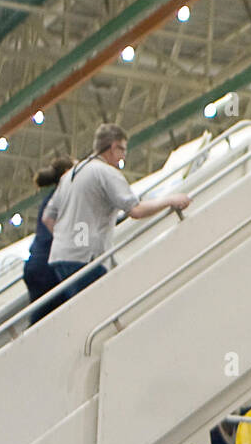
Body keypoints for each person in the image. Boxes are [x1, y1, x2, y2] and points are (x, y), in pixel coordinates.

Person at [43, 123, 191, 310]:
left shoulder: (71, 174)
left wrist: (67, 238)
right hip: (85, 259)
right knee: (110, 310)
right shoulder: (105, 172)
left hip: (60, 257)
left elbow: (48, 218)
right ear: (113, 147)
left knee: (84, 312)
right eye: (123, 150)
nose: (123, 157)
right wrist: (170, 200)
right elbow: (135, 210)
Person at [24, 155, 74, 325]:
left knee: (39, 321)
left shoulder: (50, 199)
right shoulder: (65, 198)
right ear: (67, 173)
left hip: (36, 265)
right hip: (49, 268)